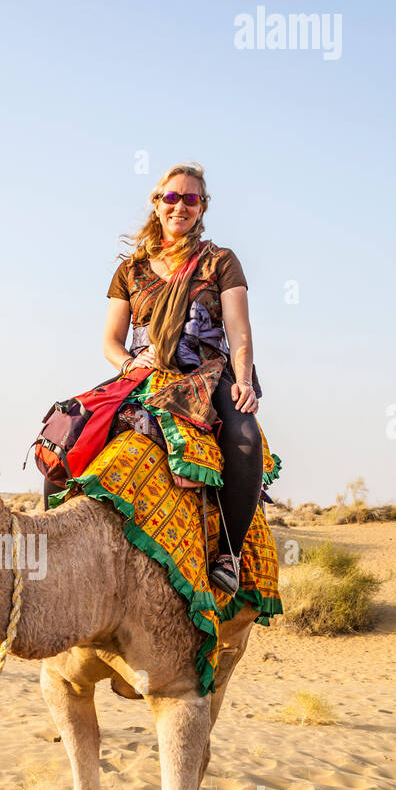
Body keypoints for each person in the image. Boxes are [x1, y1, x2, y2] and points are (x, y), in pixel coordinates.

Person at [102, 162, 264, 595]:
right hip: (144, 373)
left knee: (245, 435)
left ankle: (228, 551)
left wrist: (243, 379)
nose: (180, 206)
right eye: (171, 197)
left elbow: (239, 330)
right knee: (65, 433)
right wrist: (127, 365)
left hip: (207, 374)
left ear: (202, 207)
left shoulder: (220, 262)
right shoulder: (129, 271)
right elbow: (111, 341)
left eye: (191, 199)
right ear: (156, 205)